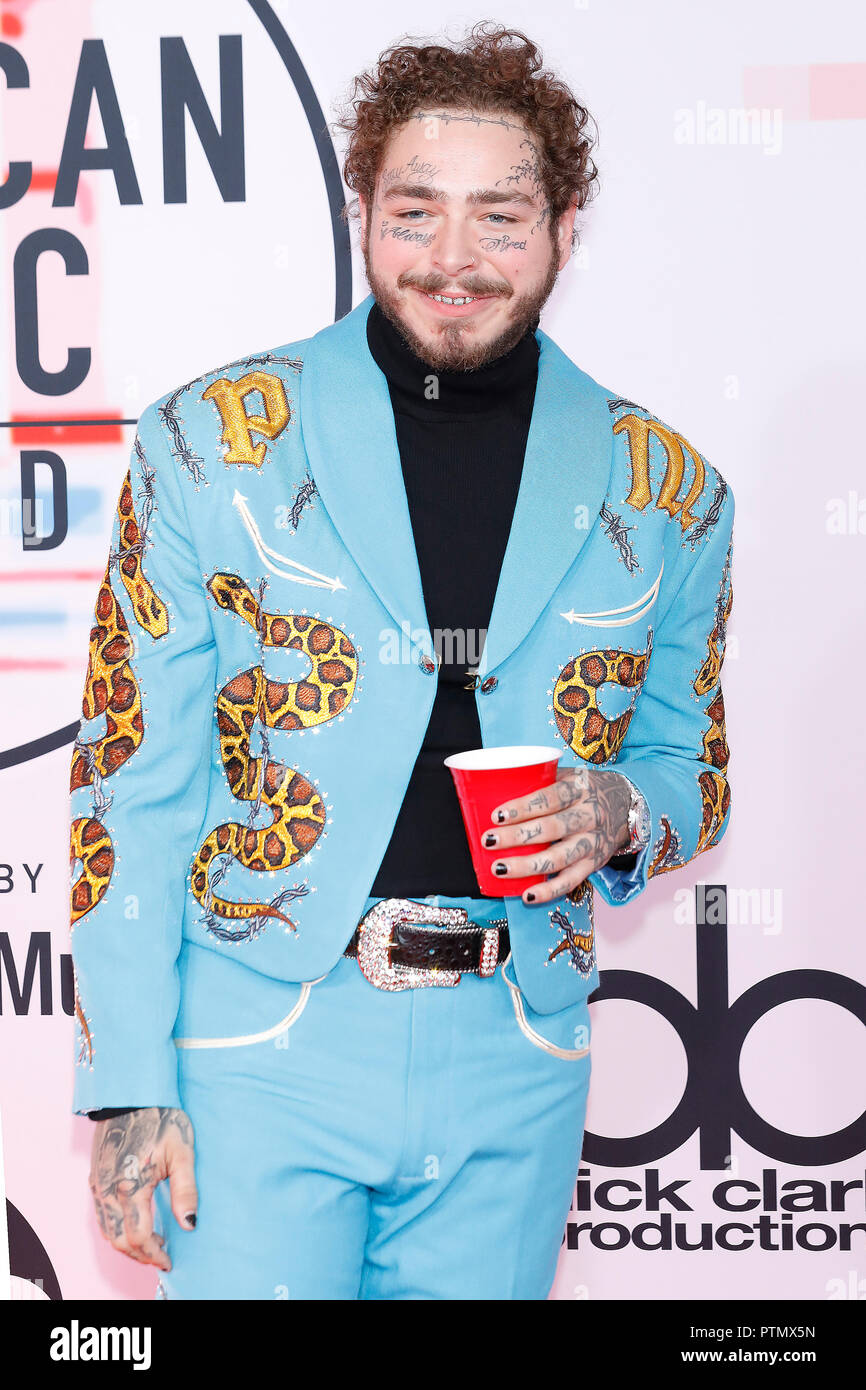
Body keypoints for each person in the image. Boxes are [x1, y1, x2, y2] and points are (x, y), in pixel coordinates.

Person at [70, 23, 734, 1299]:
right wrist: (130, 1085)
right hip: (257, 1039)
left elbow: (691, 767)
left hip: (517, 1050)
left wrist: (618, 808)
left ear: (563, 224)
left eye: (499, 218)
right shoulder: (210, 445)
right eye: (415, 211)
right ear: (359, 208)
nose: (452, 261)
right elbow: (126, 780)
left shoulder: (671, 490)